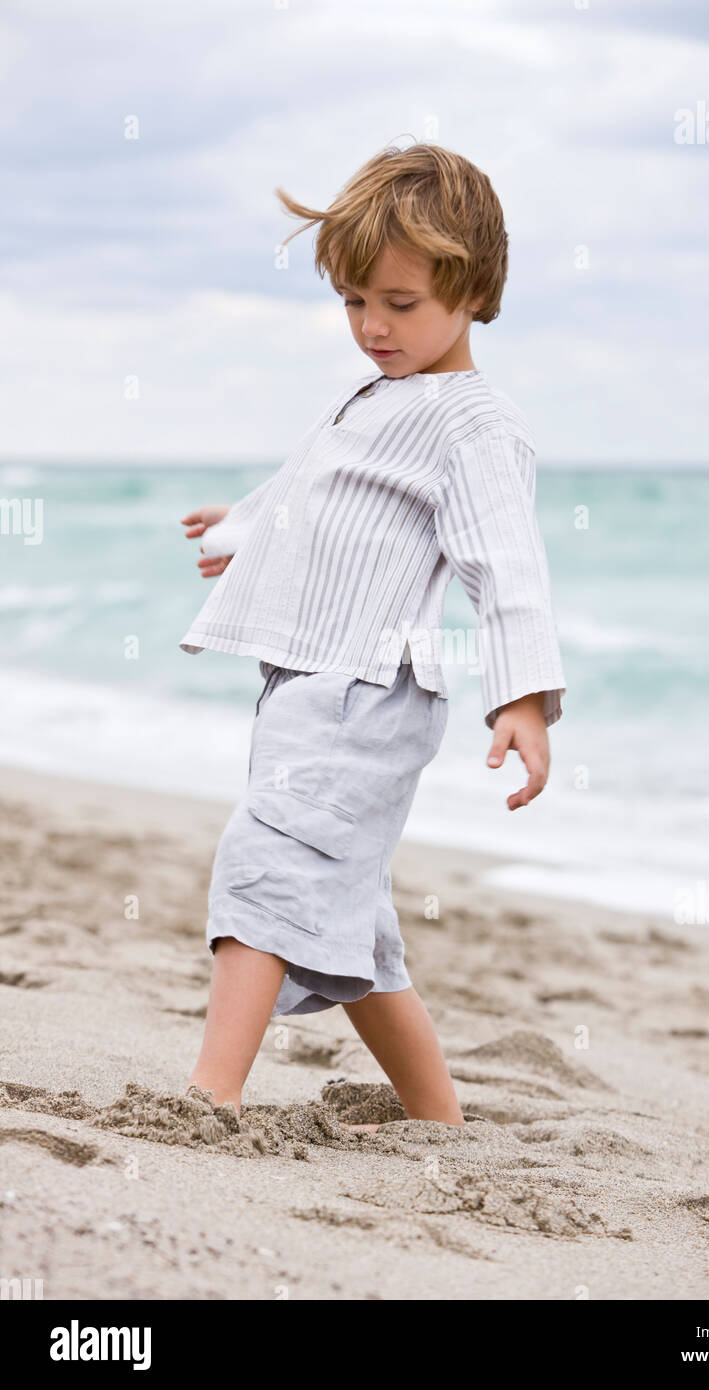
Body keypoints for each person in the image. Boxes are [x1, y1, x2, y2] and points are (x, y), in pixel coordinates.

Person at [177, 142, 566, 1133]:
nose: (372, 327)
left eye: (399, 303)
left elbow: (504, 562)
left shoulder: (472, 422)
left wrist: (520, 695)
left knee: (263, 862)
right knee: (352, 921)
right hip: (309, 685)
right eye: (354, 301)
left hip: (365, 693)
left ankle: (210, 1096)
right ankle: (437, 1116)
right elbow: (317, 488)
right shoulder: (381, 400)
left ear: (471, 289)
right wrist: (243, 530)